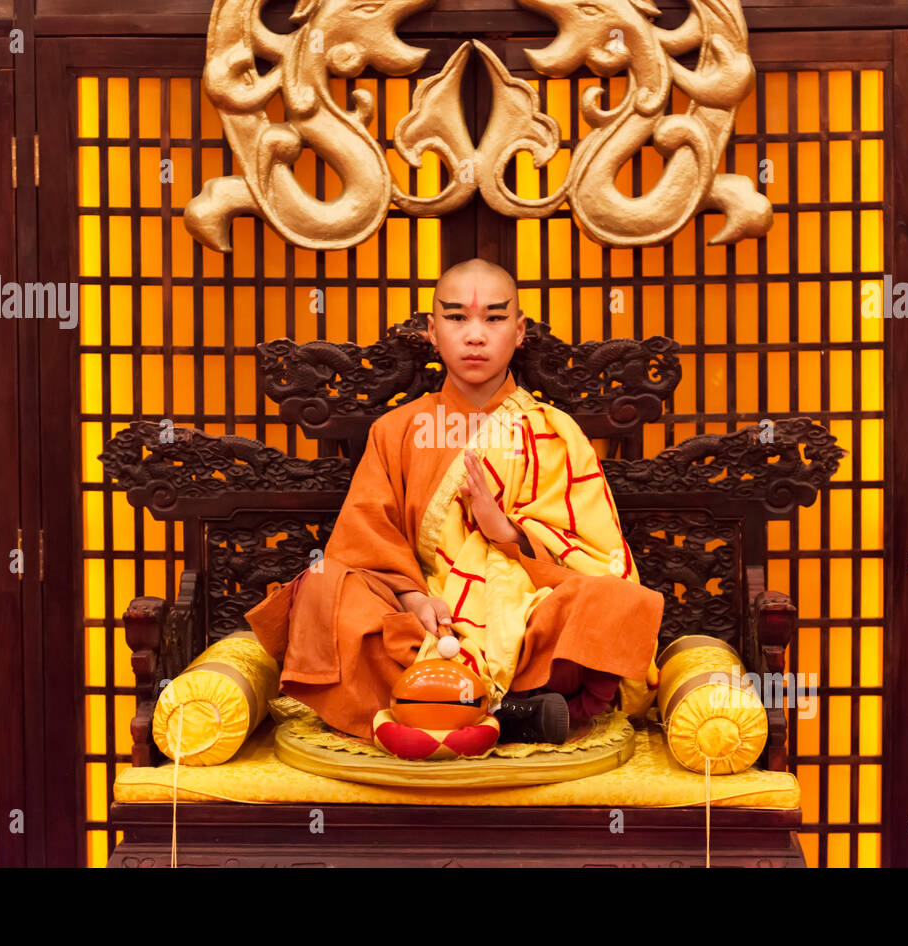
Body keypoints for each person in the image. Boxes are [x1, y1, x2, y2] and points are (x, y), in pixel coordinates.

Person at [246, 258, 664, 745]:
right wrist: (414, 597)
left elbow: (598, 554)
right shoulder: (397, 430)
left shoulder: (553, 428)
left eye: (493, 317)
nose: (475, 335)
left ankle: (425, 709)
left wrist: (504, 532)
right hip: (418, 620)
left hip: (527, 609)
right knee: (322, 585)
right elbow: (363, 543)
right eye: (457, 317)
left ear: (519, 330)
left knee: (614, 600)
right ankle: (504, 714)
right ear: (431, 330)